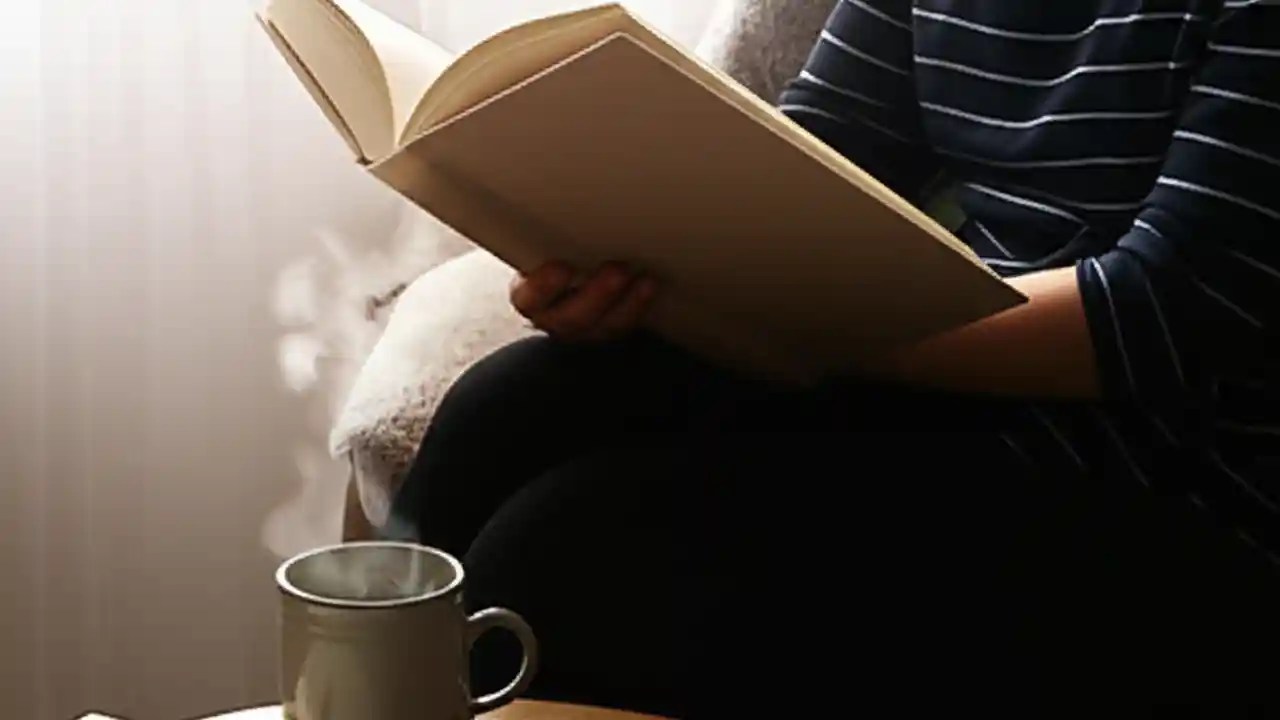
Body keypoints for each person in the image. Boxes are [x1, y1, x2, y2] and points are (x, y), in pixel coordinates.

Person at [388, 1, 1280, 714]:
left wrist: (784, 319)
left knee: (562, 557)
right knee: (503, 414)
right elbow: (817, 153)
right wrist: (608, 248)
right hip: (967, 410)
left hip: (1175, 488)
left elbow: (1157, 321)